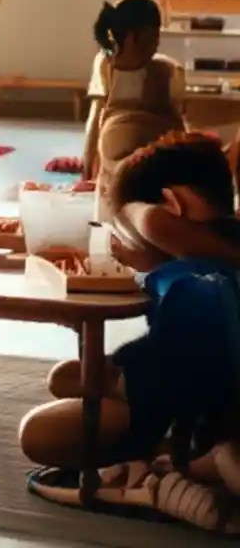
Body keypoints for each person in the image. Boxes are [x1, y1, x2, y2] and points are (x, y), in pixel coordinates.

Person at [21, 133, 240, 483]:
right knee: (66, 376)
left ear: (169, 205)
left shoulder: (197, 281)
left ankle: (178, 462)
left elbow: (178, 377)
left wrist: (136, 215)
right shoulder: (214, 253)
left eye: (123, 231)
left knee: (40, 433)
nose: (121, 247)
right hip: (190, 390)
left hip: (206, 413)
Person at [83, 0, 185, 220]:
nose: (158, 43)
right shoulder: (106, 65)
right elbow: (96, 116)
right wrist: (88, 164)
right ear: (133, 38)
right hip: (114, 164)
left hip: (152, 163)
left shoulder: (166, 71)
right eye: (153, 37)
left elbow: (177, 124)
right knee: (114, 211)